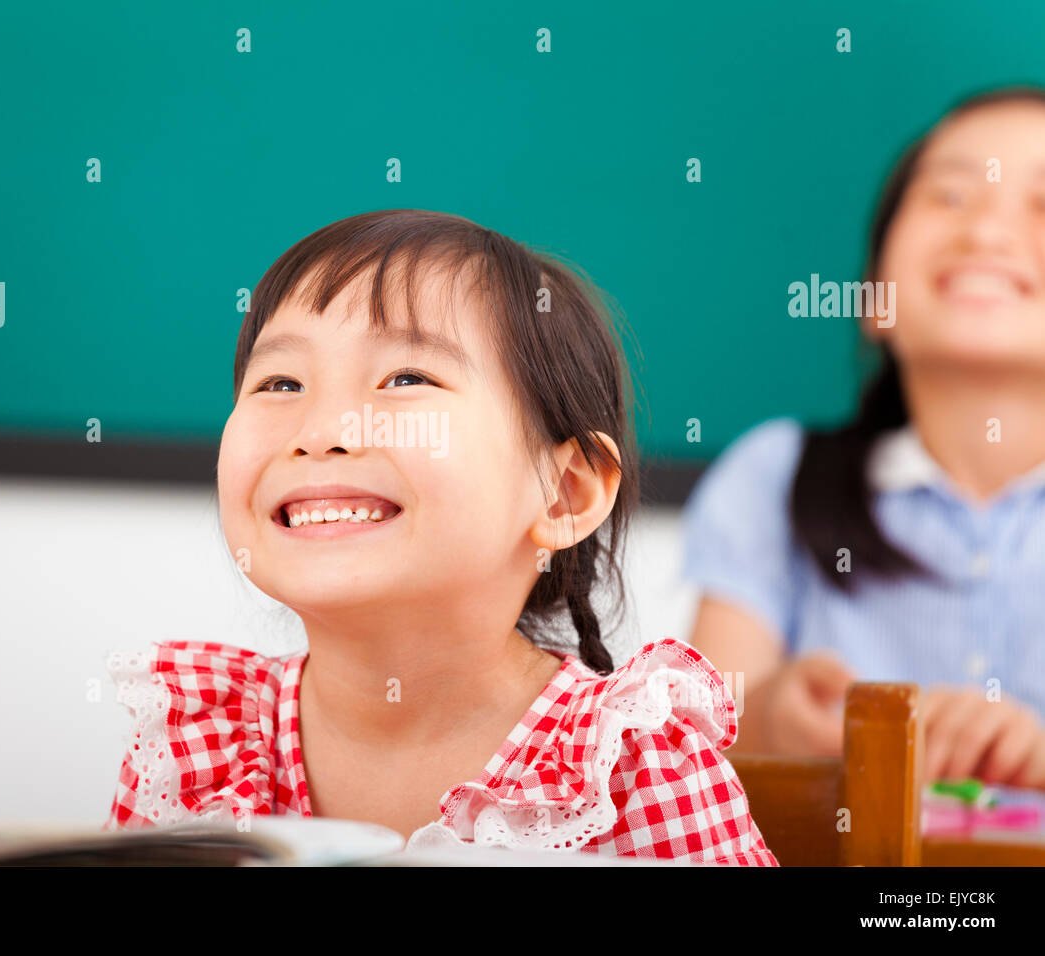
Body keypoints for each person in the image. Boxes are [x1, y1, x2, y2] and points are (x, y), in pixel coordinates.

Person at [103, 209, 776, 863]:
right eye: (281, 382)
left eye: (405, 379)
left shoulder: (635, 769)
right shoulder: (196, 748)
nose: (322, 432)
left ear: (565, 491)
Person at [684, 87, 1045, 791]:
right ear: (876, 298)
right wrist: (773, 717)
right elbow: (692, 749)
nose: (986, 235)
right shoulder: (773, 476)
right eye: (949, 197)